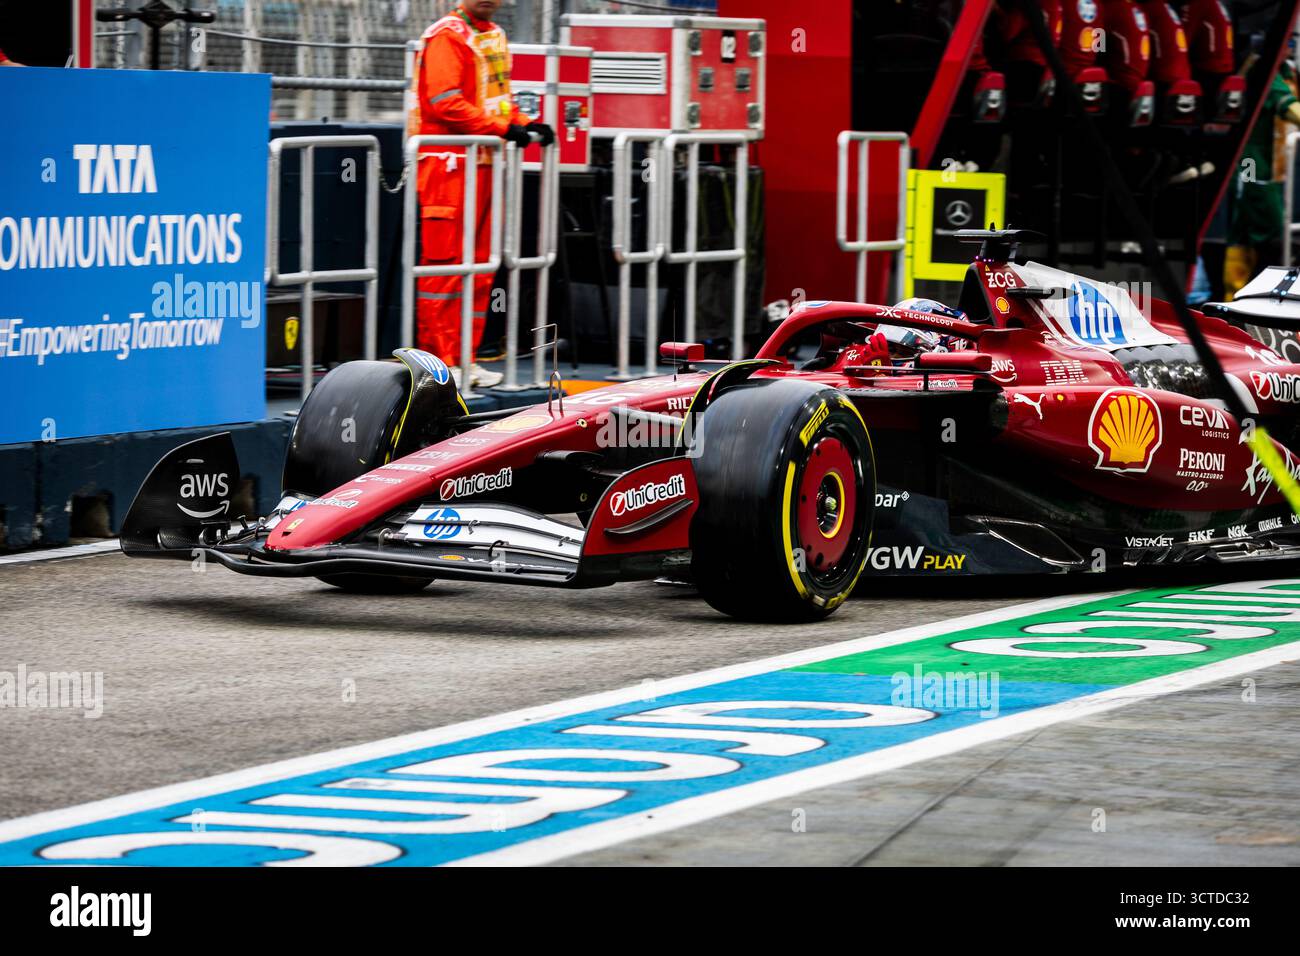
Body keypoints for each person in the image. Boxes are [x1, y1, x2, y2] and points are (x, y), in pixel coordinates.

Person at [408, 0, 554, 389]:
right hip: (448, 165)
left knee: (479, 267)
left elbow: (496, 101)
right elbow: (444, 102)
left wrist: (525, 122)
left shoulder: (492, 36)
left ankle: (465, 360)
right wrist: (502, 129)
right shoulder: (447, 36)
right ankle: (438, 364)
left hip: (483, 162)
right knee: (445, 266)